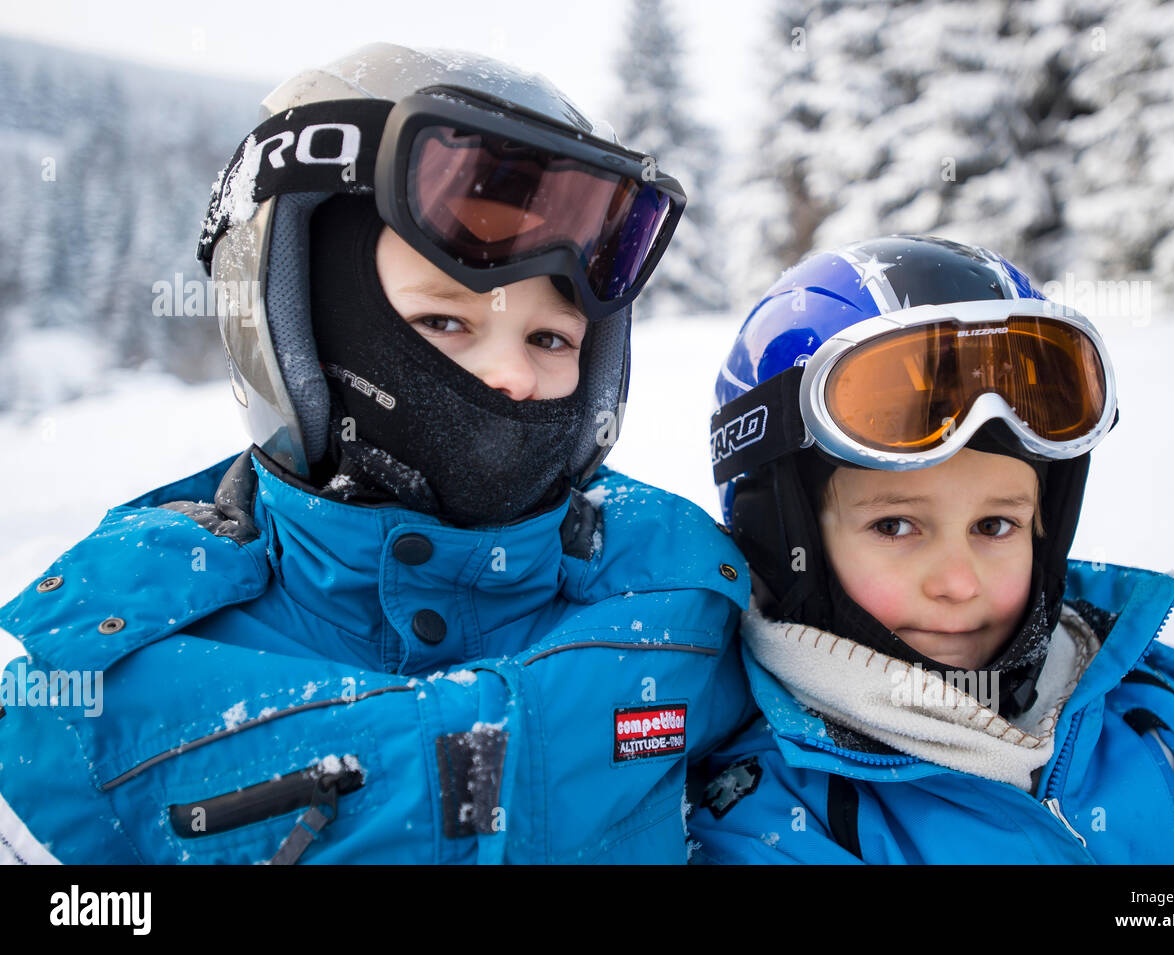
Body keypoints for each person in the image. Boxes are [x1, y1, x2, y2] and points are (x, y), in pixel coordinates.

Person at [0, 43, 750, 864]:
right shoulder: (104, 678)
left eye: (550, 337)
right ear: (293, 328)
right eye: (445, 322)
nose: (511, 376)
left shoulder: (682, 603)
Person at [686, 235, 1174, 863]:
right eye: (896, 526)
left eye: (995, 526)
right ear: (784, 540)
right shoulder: (766, 815)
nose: (959, 583)